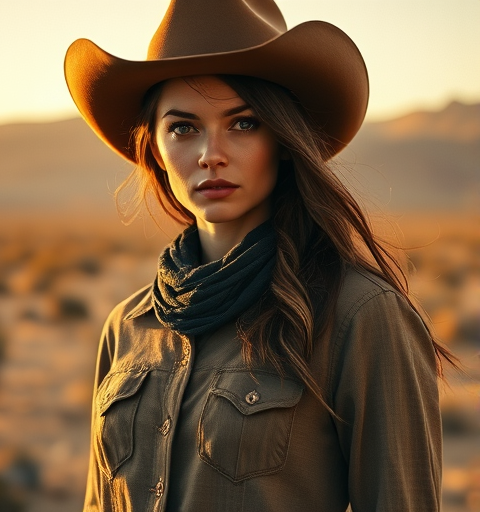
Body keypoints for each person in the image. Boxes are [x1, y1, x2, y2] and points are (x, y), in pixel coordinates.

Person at [64, 1, 455, 510]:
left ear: (285, 140)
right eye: (183, 127)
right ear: (154, 149)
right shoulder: (127, 327)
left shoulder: (360, 315)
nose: (211, 153)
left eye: (243, 123)